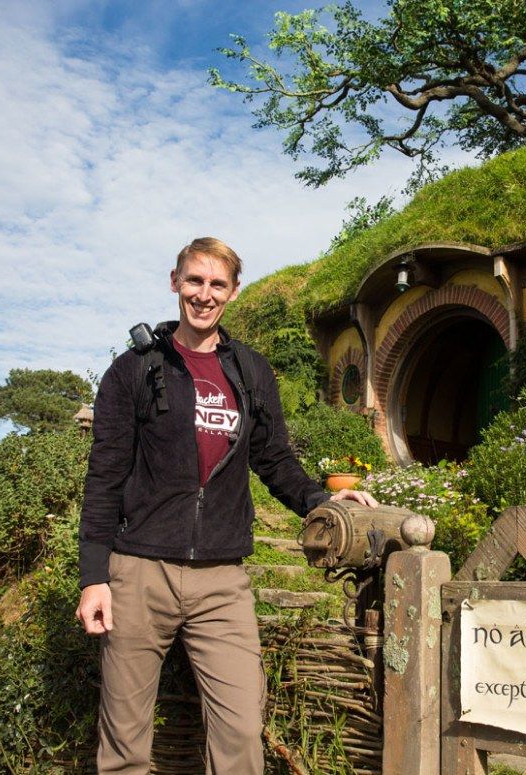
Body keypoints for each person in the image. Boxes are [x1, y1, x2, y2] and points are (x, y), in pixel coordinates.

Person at [76, 237, 377, 774]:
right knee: (124, 739)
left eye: (217, 284)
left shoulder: (251, 371)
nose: (204, 295)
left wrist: (319, 498)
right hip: (140, 571)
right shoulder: (133, 370)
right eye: (194, 281)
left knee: (240, 728)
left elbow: (273, 457)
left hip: (221, 577)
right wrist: (94, 576)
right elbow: (104, 476)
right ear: (175, 282)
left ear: (233, 292)